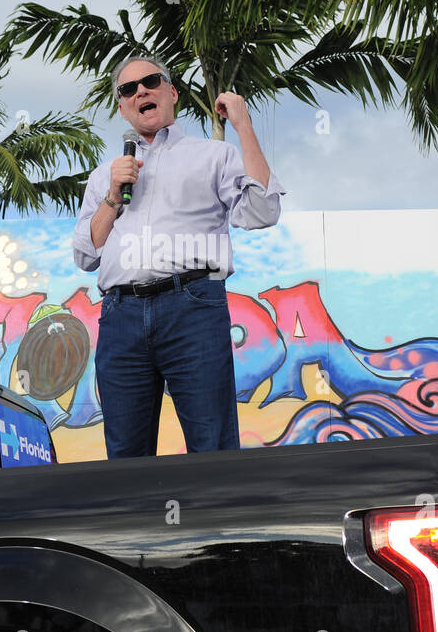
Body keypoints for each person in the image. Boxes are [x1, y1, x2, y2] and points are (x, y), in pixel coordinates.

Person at [72, 54, 285, 459]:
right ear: (122, 106)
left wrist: (243, 126)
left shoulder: (213, 155)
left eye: (151, 81)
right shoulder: (106, 175)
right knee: (125, 456)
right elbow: (85, 253)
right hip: (120, 315)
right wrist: (113, 197)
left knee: (212, 446)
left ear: (171, 92)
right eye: (129, 89)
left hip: (192, 307)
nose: (141, 92)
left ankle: (217, 523)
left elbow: (262, 212)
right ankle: (138, 524)